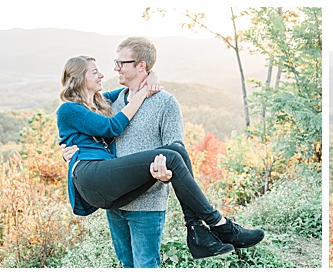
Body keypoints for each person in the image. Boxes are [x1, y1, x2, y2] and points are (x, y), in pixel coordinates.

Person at [56, 54, 263, 261]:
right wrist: (144, 91)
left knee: (177, 151)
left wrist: (151, 75)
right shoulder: (68, 109)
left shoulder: (100, 101)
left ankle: (196, 230)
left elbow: (131, 88)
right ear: (79, 78)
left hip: (106, 176)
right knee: (171, 157)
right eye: (95, 72)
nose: (102, 75)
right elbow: (112, 127)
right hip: (92, 176)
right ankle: (219, 224)